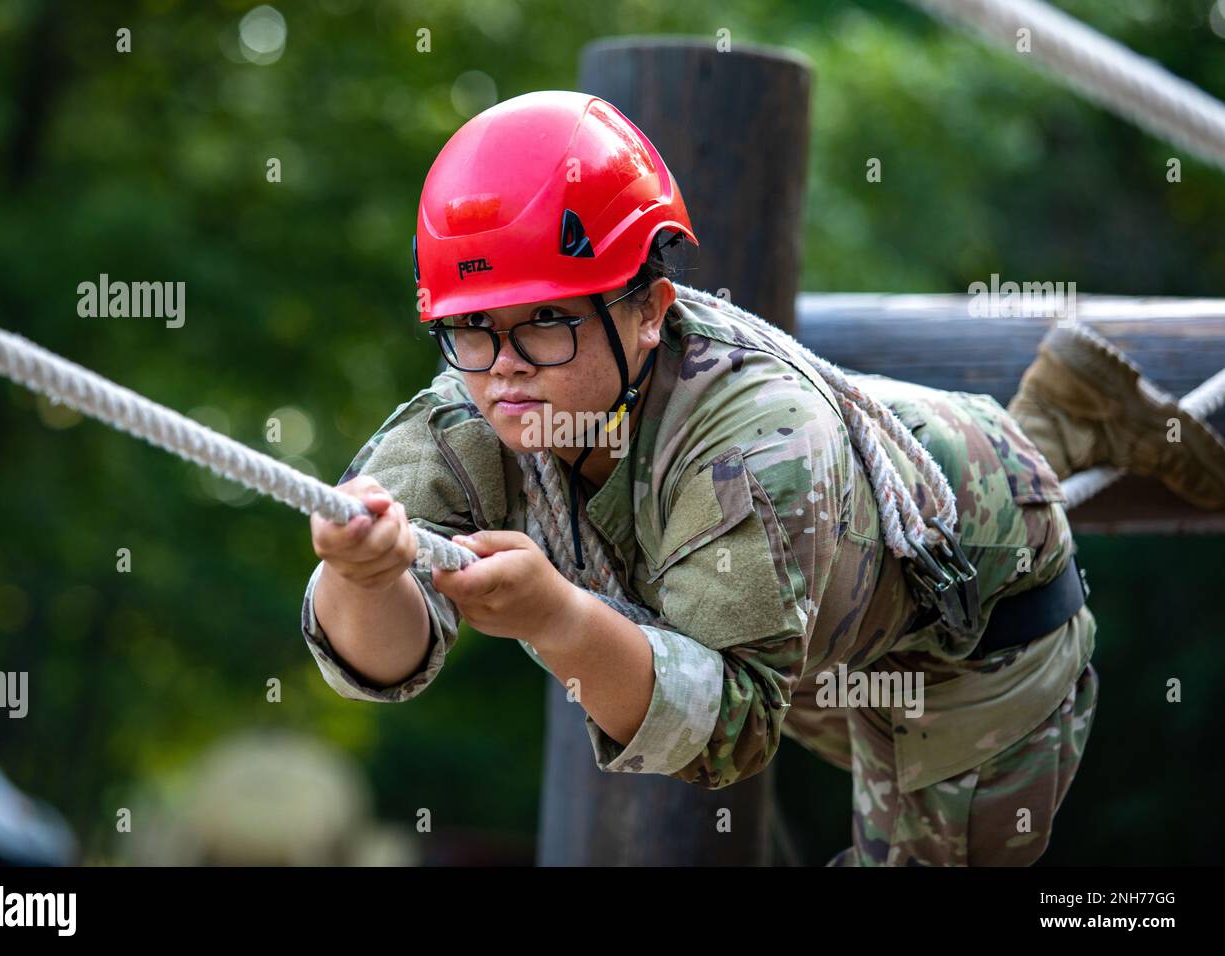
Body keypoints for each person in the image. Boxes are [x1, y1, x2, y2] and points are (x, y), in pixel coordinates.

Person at [300, 90, 1225, 866]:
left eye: (545, 321)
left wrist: (559, 620)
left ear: (652, 309)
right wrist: (362, 573)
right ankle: (1060, 414)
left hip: (973, 620)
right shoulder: (472, 412)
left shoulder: (758, 447)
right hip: (815, 613)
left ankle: (1044, 437)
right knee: (813, 600)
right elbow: (376, 665)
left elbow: (731, 731)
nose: (503, 366)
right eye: (471, 327)